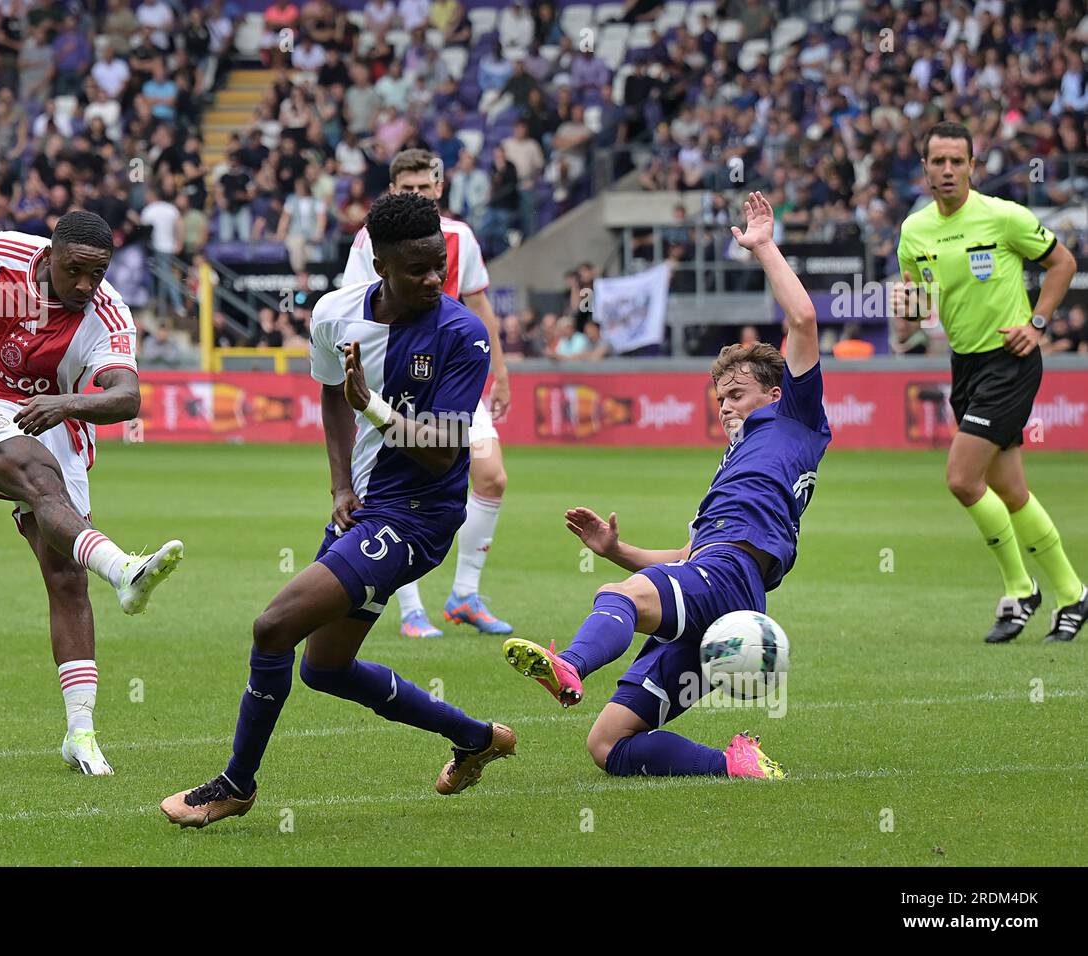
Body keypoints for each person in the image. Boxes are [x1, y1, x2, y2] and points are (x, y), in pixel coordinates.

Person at [160, 193, 516, 828]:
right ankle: (475, 737)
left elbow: (442, 454)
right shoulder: (333, 316)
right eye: (417, 269)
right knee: (325, 669)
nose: (433, 279)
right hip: (364, 508)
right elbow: (332, 396)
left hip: (418, 515)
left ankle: (235, 785)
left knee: (272, 627)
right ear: (380, 264)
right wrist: (338, 488)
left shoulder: (463, 334)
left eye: (439, 265)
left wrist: (374, 407)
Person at [502, 192, 825, 780]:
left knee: (620, 597)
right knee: (608, 745)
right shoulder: (733, 465)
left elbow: (803, 320)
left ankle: (569, 663)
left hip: (728, 580)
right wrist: (618, 550)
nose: (726, 405)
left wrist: (764, 247)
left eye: (738, 394)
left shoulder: (796, 419)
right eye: (720, 396)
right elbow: (685, 557)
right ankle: (734, 764)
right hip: (722, 587)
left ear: (775, 395)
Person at [0, 212, 185, 776]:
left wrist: (67, 404)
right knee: (37, 477)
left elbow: (127, 397)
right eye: (76, 271)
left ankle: (80, 734)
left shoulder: (108, 313)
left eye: (99, 273)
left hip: (58, 418)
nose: (87, 285)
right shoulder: (3, 252)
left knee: (65, 578)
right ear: (52, 253)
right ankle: (125, 571)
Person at [895, 121, 1086, 643]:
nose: (949, 170)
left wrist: (1038, 323)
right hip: (965, 366)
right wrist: (903, 318)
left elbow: (1062, 263)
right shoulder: (914, 231)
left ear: (973, 166)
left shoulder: (1003, 216)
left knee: (961, 478)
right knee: (1010, 489)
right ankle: (1070, 594)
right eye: (939, 162)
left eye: (958, 160)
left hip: (1010, 359)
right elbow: (914, 308)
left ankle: (1019, 589)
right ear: (926, 169)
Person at [342, 149, 515, 638]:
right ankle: (410, 608)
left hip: (454, 375)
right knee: (399, 483)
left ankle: (464, 596)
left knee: (492, 476)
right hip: (393, 377)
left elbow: (480, 303)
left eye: (424, 187)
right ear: (392, 190)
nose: (417, 194)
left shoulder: (462, 237)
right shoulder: (368, 242)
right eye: (406, 188)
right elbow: (360, 307)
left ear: (438, 188)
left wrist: (499, 374)